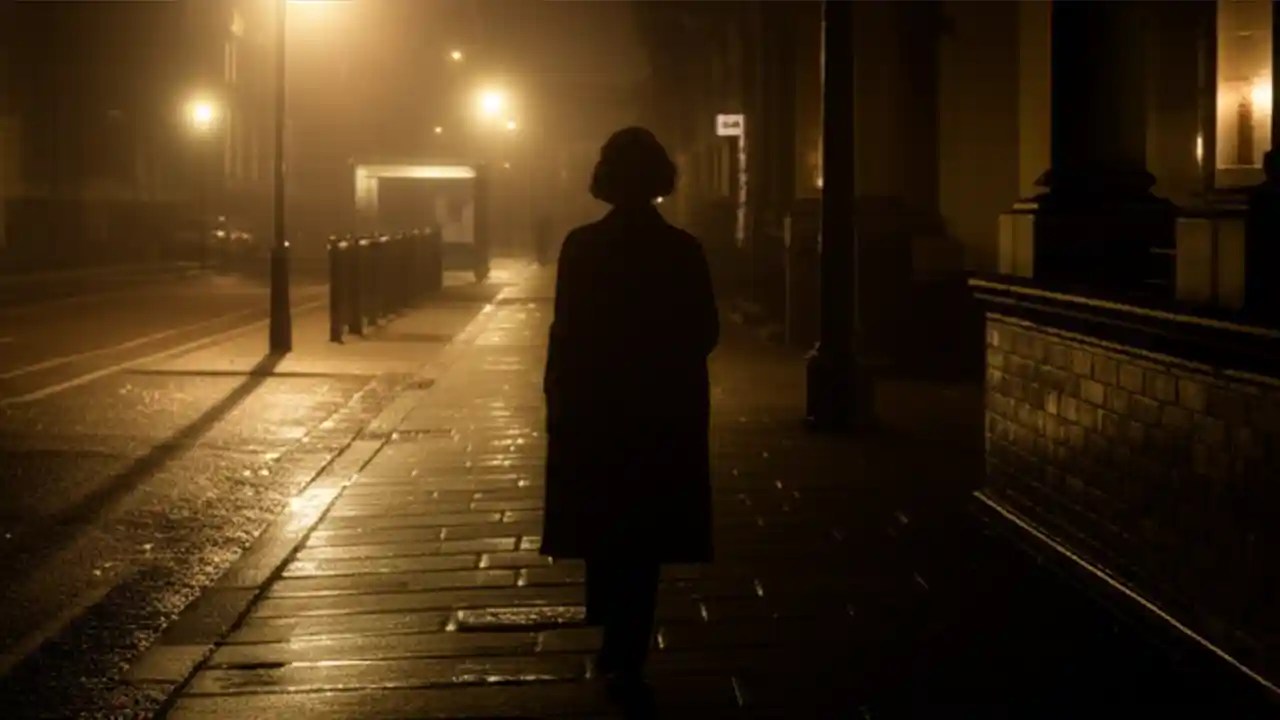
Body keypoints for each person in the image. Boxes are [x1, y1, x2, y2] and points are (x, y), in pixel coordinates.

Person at [540, 127, 719, 710]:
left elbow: (566, 332)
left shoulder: (581, 246)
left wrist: (560, 398)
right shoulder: (683, 249)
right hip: (660, 407)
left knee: (604, 516)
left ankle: (611, 631)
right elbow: (705, 332)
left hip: (598, 405)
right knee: (646, 532)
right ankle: (628, 648)